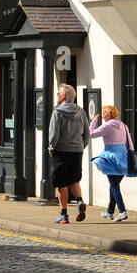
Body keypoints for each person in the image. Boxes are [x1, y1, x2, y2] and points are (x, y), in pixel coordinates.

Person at [48, 85, 90, 224]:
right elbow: (87, 133)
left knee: (61, 183)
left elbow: (54, 135)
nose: (57, 95)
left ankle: (63, 215)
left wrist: (51, 149)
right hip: (77, 151)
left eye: (58, 93)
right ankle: (79, 201)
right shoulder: (81, 111)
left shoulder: (58, 112)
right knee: (74, 180)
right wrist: (81, 146)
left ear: (64, 96)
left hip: (61, 151)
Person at [89, 105, 130, 222]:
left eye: (103, 113)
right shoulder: (122, 125)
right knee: (114, 186)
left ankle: (122, 211)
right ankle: (109, 211)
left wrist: (94, 121)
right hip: (123, 158)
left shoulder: (107, 126)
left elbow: (90, 134)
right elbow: (129, 142)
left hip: (111, 158)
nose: (102, 116)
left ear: (108, 114)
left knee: (114, 186)